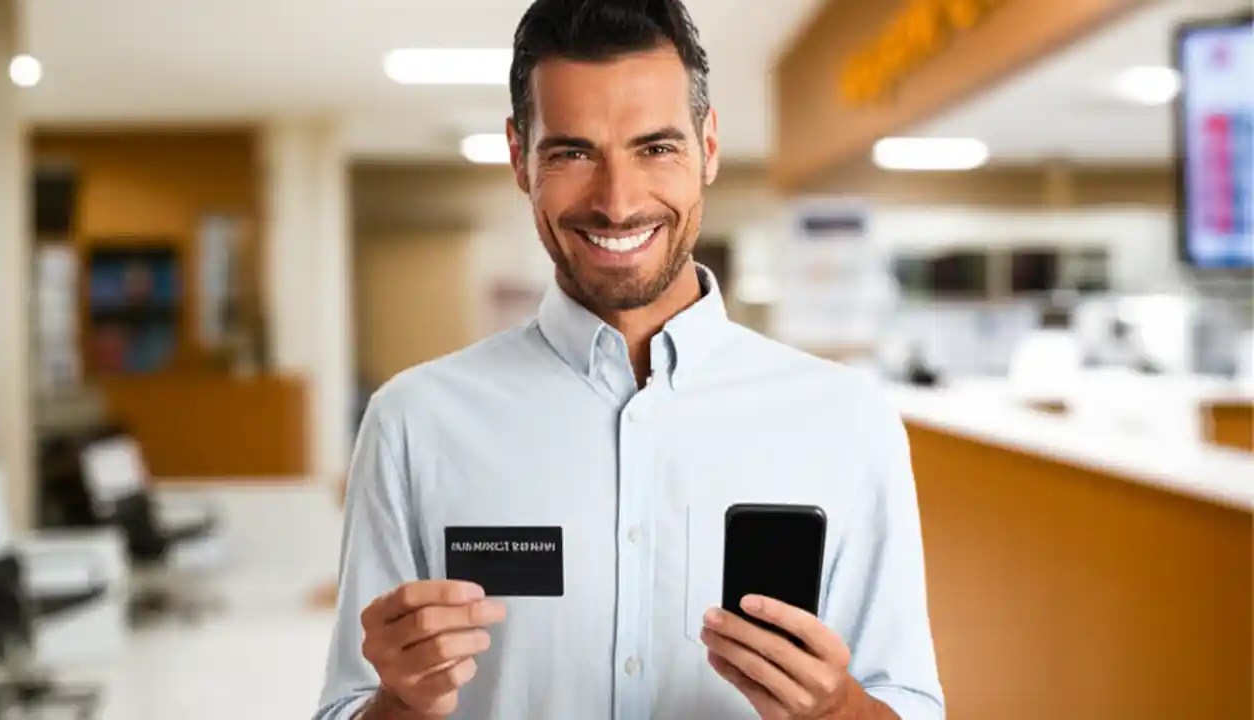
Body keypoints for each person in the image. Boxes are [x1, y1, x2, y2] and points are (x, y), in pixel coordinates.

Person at [315, 1, 943, 718]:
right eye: (573, 152)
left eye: (655, 148)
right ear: (520, 156)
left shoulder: (846, 419)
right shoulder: (413, 421)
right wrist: (399, 702)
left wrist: (835, 709)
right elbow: (350, 706)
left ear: (707, 146)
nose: (617, 203)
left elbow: (909, 705)